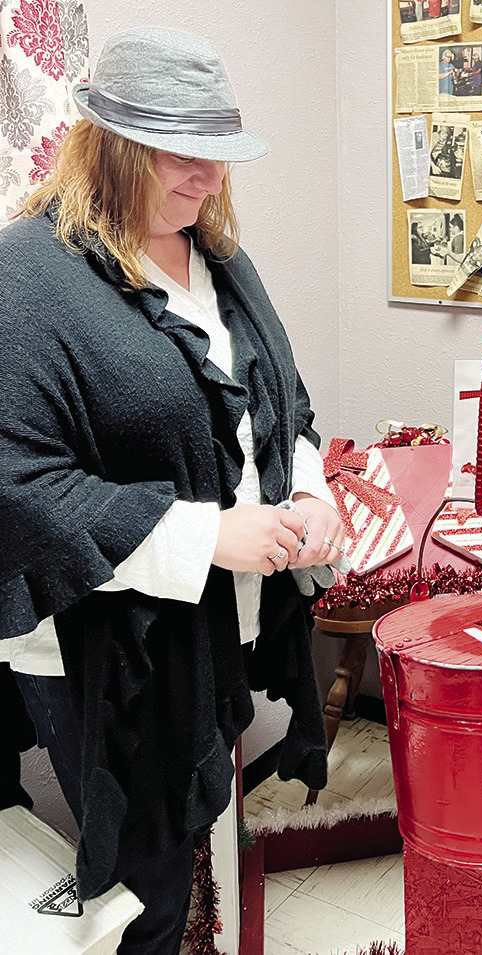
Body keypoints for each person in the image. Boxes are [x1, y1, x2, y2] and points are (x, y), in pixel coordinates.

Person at [0, 27, 344, 955]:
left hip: (207, 627)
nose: (210, 176)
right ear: (111, 148)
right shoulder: (29, 277)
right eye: (181, 154)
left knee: (183, 850)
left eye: (219, 153)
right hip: (100, 645)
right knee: (145, 886)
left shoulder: (220, 259)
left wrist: (310, 493)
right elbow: (21, 488)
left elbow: (282, 406)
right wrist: (207, 536)